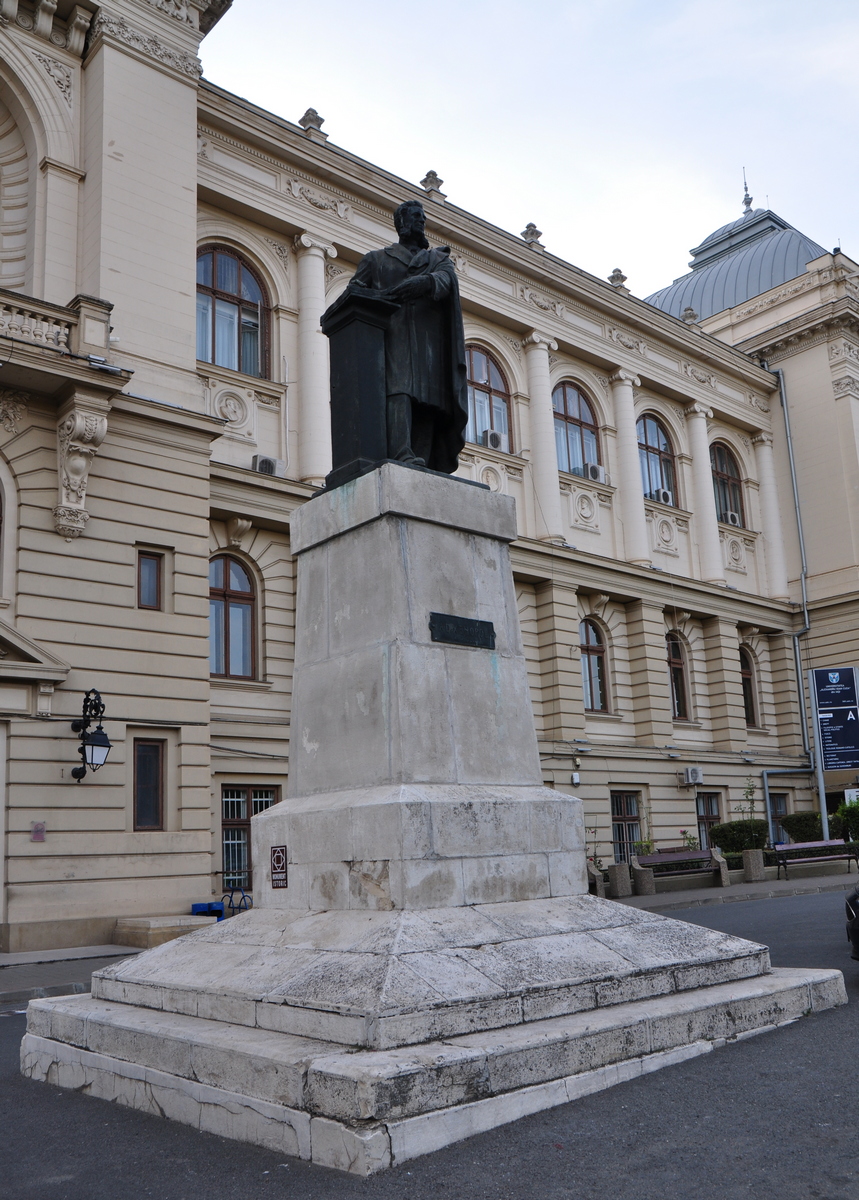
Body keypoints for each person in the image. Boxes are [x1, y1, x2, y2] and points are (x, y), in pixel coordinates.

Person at [347, 199, 468, 472]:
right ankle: (401, 451)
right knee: (400, 388)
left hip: (430, 343)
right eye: (415, 216)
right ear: (401, 222)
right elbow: (353, 294)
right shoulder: (376, 260)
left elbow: (447, 280)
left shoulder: (438, 260)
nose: (421, 221)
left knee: (430, 400)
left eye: (423, 217)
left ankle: (422, 458)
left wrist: (425, 282)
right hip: (393, 336)